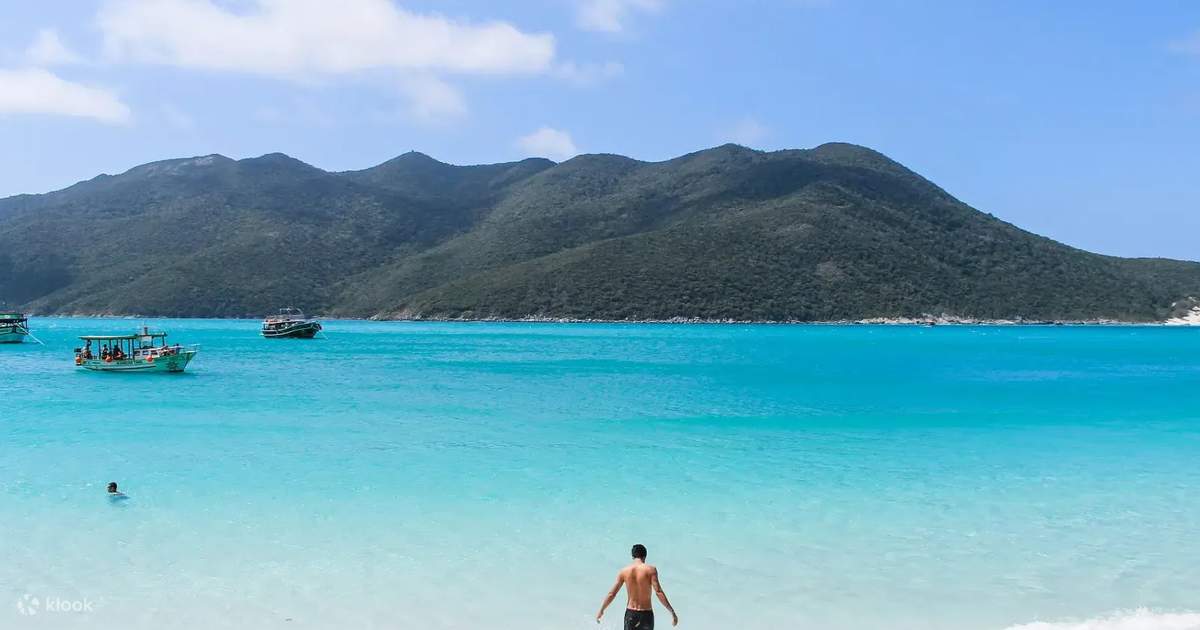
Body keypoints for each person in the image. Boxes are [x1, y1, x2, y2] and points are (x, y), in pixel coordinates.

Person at [596, 544, 678, 628]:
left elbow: (612, 594)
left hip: (631, 614)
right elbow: (658, 592)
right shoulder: (651, 570)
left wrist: (602, 610)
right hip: (646, 614)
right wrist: (672, 612)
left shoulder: (624, 571)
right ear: (645, 556)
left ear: (632, 557)